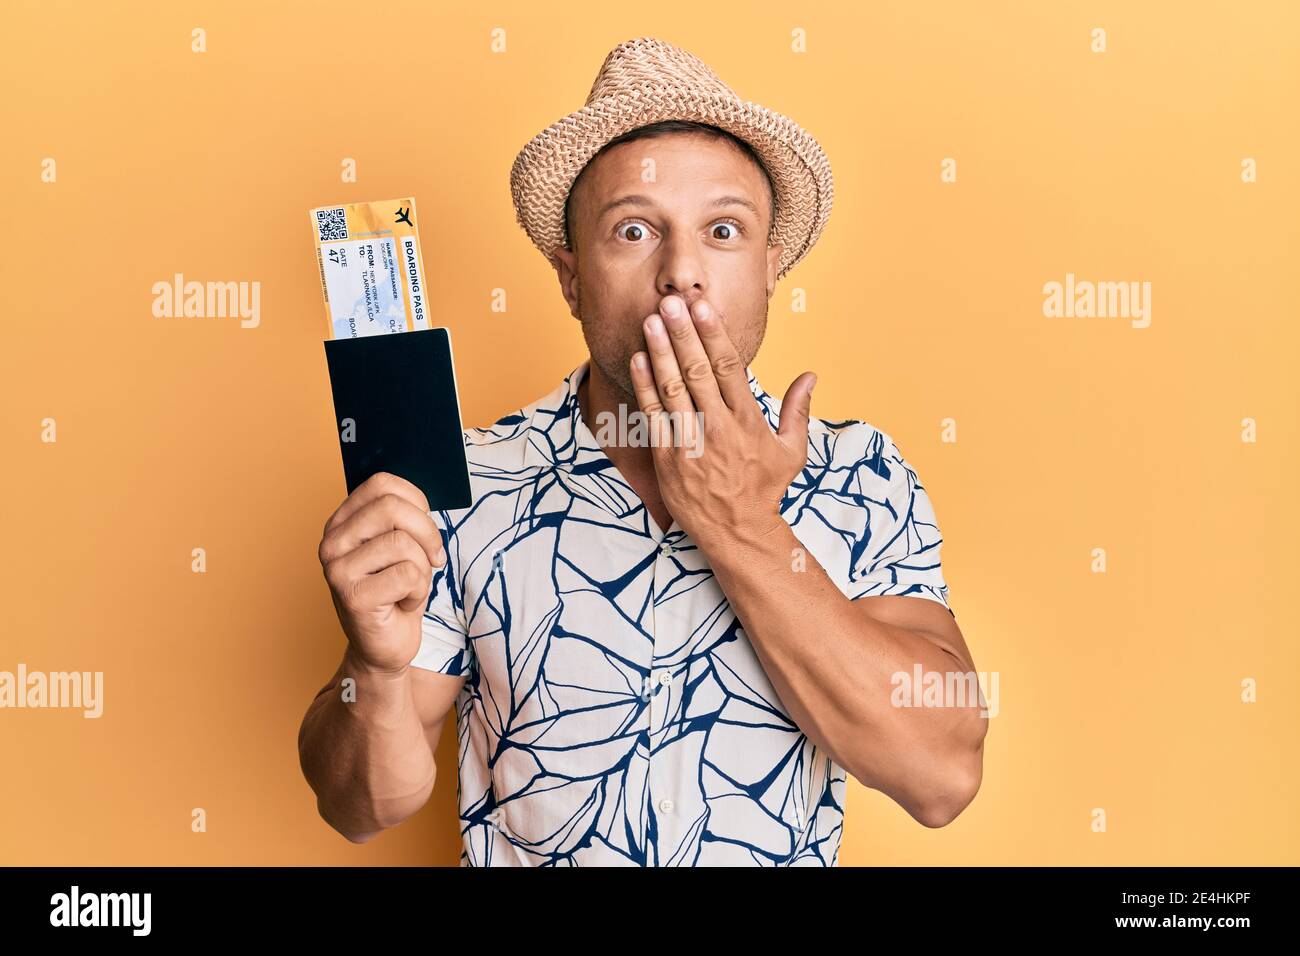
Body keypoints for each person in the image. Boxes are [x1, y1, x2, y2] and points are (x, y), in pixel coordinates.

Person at [299, 36, 986, 866]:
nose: (681, 272)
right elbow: (361, 808)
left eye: (723, 230)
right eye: (633, 230)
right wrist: (372, 668)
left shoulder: (861, 476)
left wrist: (738, 522)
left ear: (771, 267)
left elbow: (941, 774)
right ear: (570, 277)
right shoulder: (463, 484)